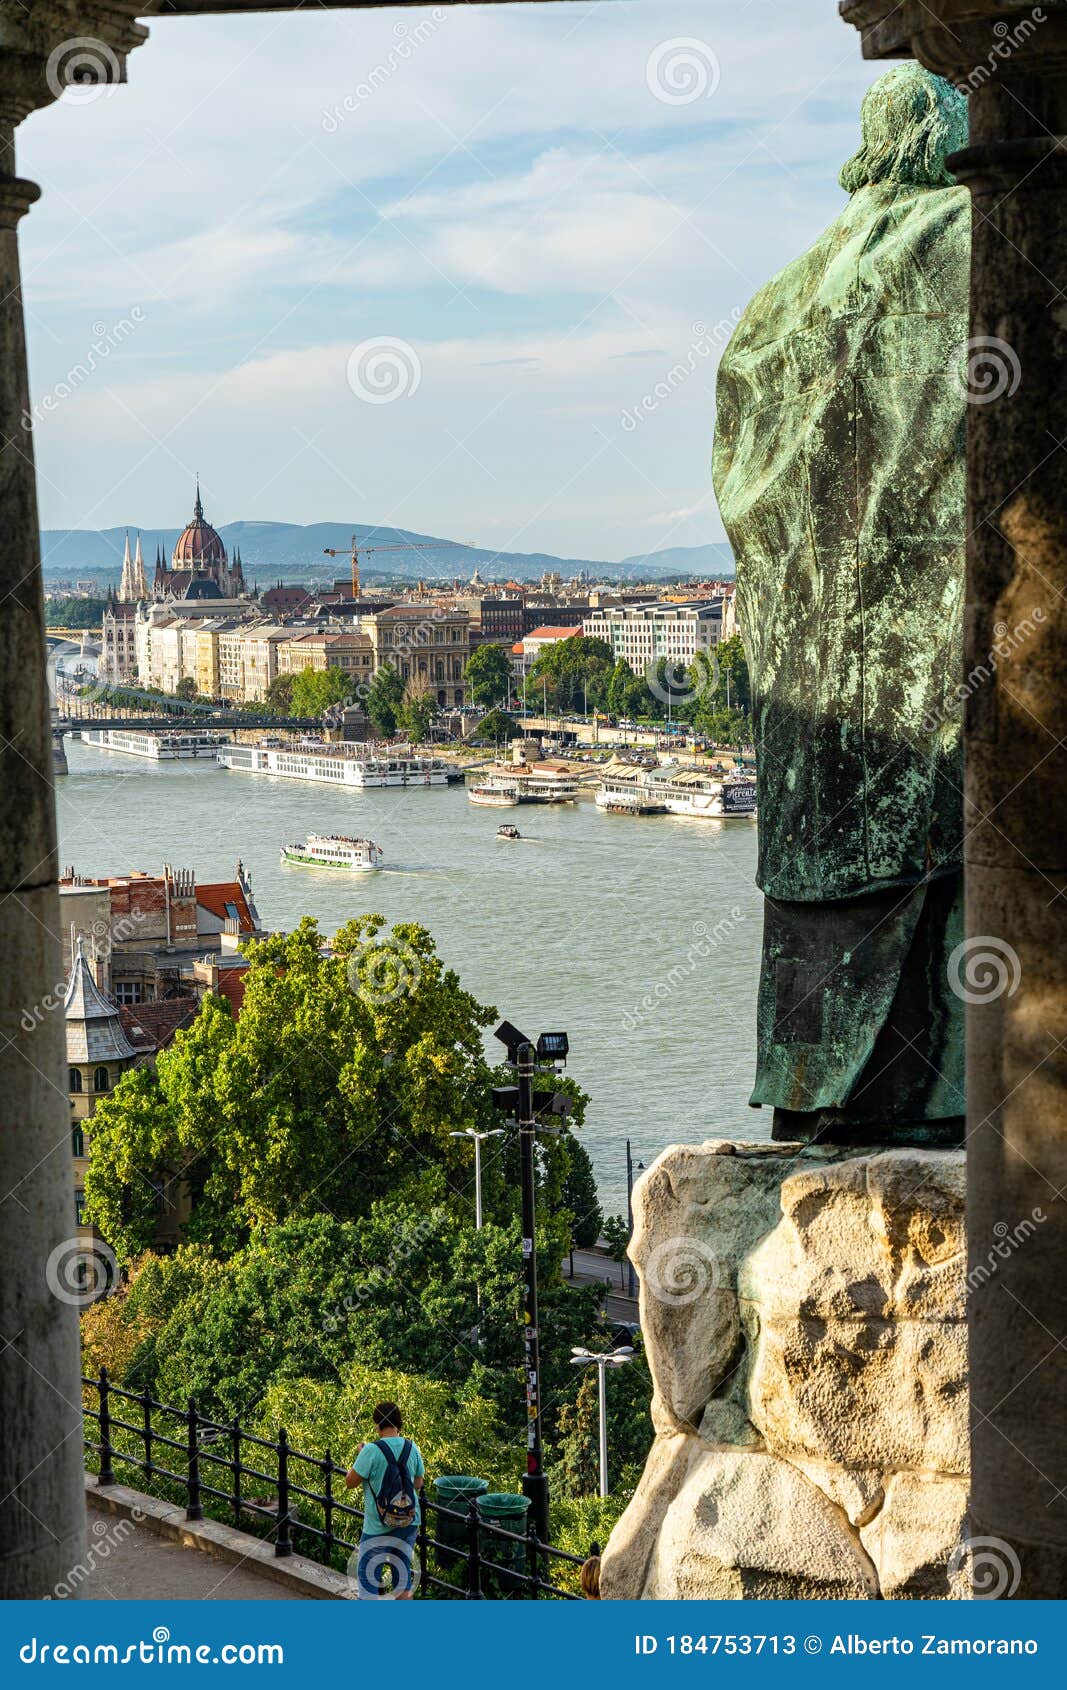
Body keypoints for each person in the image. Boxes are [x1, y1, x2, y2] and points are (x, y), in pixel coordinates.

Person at [345, 1401, 426, 1601]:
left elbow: (350, 1482)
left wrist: (362, 1454)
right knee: (402, 1579)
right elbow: (418, 1483)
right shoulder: (411, 1447)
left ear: (378, 1425)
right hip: (408, 1521)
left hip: (377, 1525)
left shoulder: (371, 1450)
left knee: (369, 1580)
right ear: (398, 1424)